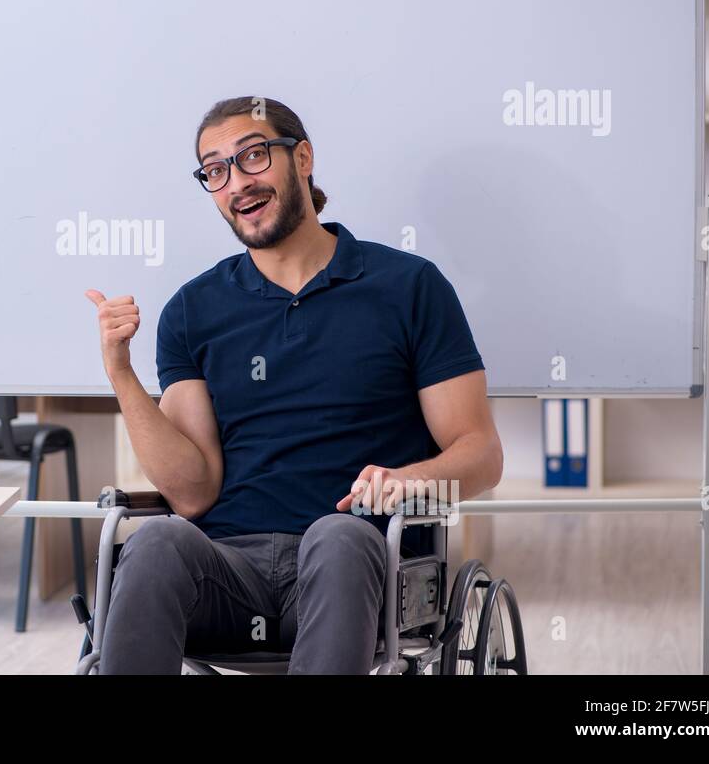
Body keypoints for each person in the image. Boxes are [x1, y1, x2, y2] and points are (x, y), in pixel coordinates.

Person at [84, 95, 502, 674]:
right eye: (215, 170)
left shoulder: (410, 288)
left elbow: (482, 456)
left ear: (302, 158)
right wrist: (121, 375)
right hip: (230, 574)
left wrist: (407, 480)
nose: (236, 182)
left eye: (253, 156)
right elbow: (192, 493)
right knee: (155, 541)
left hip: (360, 564)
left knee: (337, 535)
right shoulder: (192, 311)